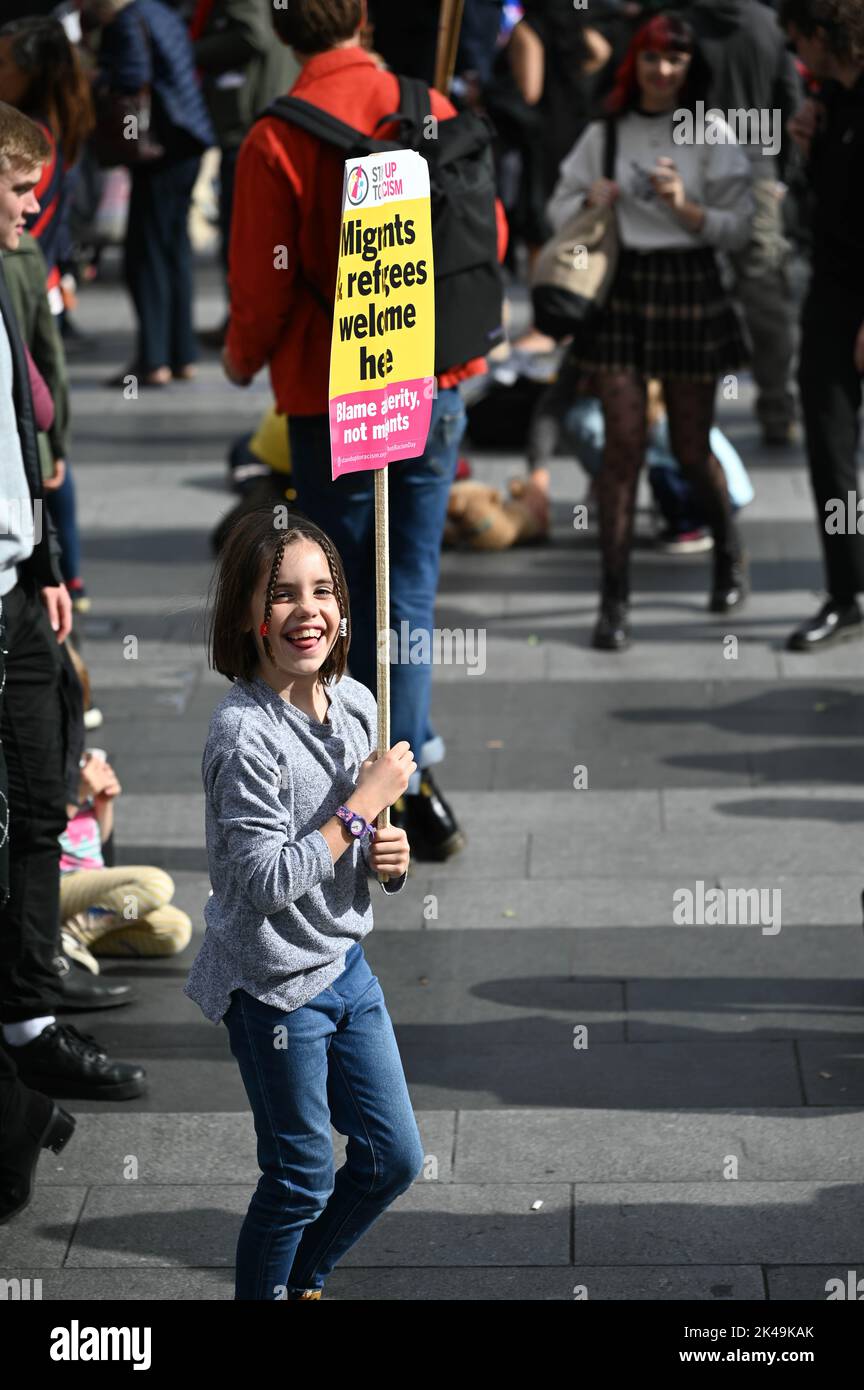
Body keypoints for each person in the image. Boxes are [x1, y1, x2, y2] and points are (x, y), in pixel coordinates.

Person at [222, 0, 504, 860]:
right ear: (365, 16)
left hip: (329, 392)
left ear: (281, 30)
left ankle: (362, 787)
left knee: (333, 601)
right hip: (433, 381)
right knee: (407, 591)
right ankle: (409, 782)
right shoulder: (432, 103)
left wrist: (242, 358)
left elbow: (263, 281)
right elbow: (484, 232)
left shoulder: (276, 137)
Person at [184, 509, 422, 1300]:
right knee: (298, 1180)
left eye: (323, 591)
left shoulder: (354, 702)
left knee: (394, 1159)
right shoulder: (242, 735)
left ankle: (303, 1280)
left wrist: (390, 858)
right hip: (275, 989)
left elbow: (364, 848)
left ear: (345, 609)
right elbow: (262, 879)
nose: (306, 610)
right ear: (247, 617)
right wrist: (360, 807)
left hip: (346, 967)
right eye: (282, 595)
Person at [0, 99, 146, 1109]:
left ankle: (31, 1010)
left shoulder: (7, 279)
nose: (35, 203)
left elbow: (27, 432)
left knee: (41, 799)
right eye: (17, 186)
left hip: (16, 582)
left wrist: (48, 562)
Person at [547, 11, 753, 650]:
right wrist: (591, 202)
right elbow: (557, 206)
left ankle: (729, 552)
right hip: (623, 289)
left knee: (692, 447)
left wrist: (683, 206)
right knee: (623, 448)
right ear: (632, 62)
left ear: (692, 66)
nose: (663, 70)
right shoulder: (605, 131)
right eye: (652, 57)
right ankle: (614, 600)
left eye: (676, 59)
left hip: (690, 286)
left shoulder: (712, 131)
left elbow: (739, 225)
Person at [0, 17, 94, 608]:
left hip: (29, 292)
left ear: (30, 73)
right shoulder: (48, 125)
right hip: (45, 284)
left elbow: (34, 222)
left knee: (39, 440)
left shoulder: (29, 139)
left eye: (4, 61)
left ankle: (63, 569)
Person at [779, 0, 864, 650]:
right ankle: (847, 592)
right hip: (832, 299)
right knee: (831, 454)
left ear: (821, 32)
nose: (793, 51)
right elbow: (822, 211)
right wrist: (809, 151)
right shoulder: (830, 99)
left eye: (796, 38)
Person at [684, 0, 803, 447]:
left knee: (696, 292)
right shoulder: (768, 24)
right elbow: (790, 97)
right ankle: (777, 408)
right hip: (757, 165)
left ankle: (692, 411)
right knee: (766, 295)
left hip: (695, 163)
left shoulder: (686, 24)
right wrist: (783, 174)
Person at [84, 0, 215, 386]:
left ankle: (154, 359)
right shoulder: (161, 11)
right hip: (187, 138)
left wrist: (97, 82)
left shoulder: (126, 21)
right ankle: (182, 355)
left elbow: (131, 79)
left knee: (146, 253)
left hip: (159, 147)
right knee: (174, 247)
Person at [189, 0, 299, 345]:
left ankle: (245, 324)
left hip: (249, 120)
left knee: (243, 233)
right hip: (260, 117)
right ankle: (245, 319)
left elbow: (252, 36)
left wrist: (191, 50)